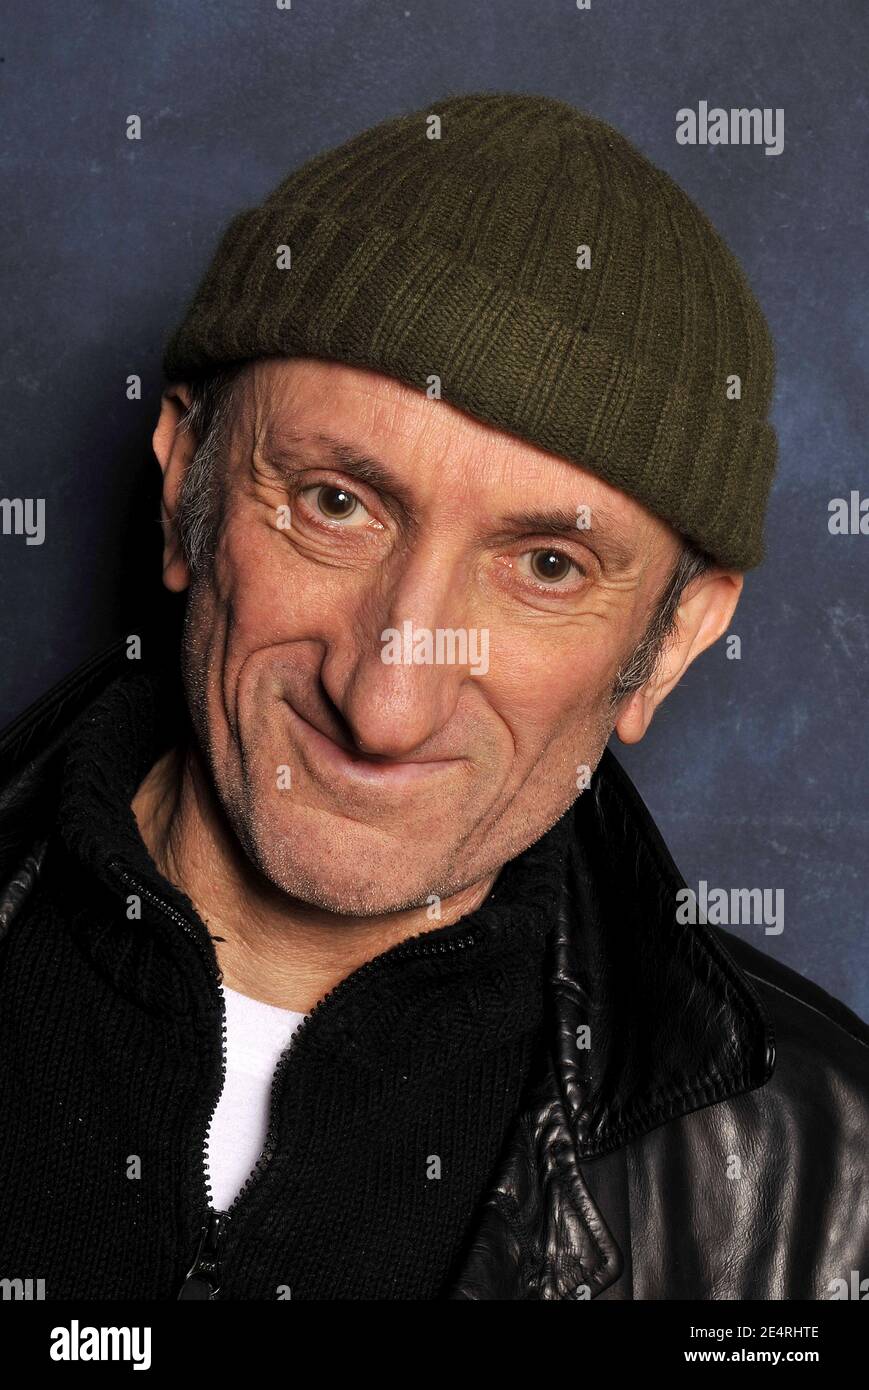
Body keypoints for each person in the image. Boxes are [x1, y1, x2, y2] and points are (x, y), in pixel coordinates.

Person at [0, 91, 865, 1301]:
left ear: (670, 643)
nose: (383, 700)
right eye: (334, 504)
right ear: (187, 479)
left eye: (545, 568)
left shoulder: (831, 1187)